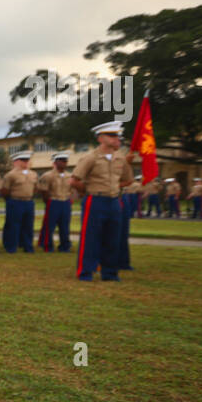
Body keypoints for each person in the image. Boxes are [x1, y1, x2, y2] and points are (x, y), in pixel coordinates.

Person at [71, 120, 134, 282]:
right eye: (111, 135)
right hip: (95, 200)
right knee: (90, 238)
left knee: (113, 238)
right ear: (100, 138)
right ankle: (85, 272)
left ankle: (110, 273)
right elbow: (75, 180)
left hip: (114, 201)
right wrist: (87, 190)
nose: (116, 139)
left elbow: (128, 180)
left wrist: (113, 187)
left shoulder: (121, 159)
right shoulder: (91, 157)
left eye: (117, 136)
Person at [0, 151, 37, 253]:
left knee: (28, 225)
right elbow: (5, 190)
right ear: (17, 161)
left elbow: (35, 188)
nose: (26, 162)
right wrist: (10, 200)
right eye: (23, 160)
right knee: (13, 225)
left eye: (27, 160)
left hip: (28, 201)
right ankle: (11, 247)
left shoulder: (33, 174)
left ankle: (27, 246)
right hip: (15, 201)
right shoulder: (10, 175)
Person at [36, 152, 73, 252]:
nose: (64, 163)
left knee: (65, 226)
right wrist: (48, 202)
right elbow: (44, 191)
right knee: (49, 225)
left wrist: (70, 199)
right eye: (61, 161)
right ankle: (48, 246)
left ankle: (65, 246)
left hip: (65, 201)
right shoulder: (47, 175)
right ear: (55, 162)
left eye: (65, 161)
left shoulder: (69, 176)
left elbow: (72, 190)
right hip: (53, 201)